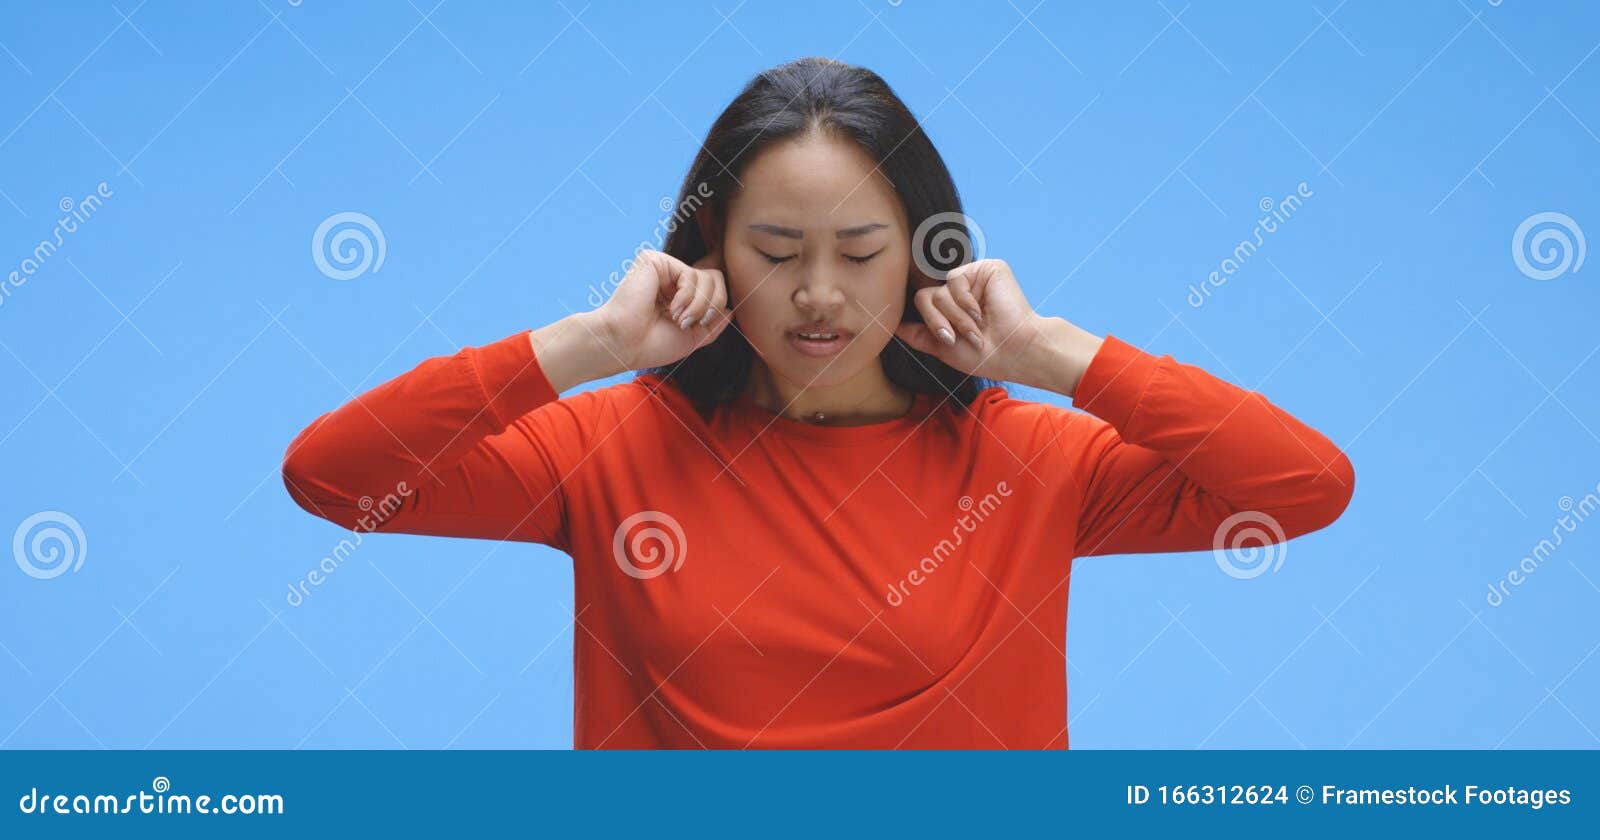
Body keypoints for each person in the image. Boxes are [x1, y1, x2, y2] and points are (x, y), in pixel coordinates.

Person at [282, 57, 1354, 749]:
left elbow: (1303, 486)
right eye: (778, 250)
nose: (819, 294)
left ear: (925, 251)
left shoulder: (1029, 464)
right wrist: (589, 345)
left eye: (860, 250)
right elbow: (332, 477)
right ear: (707, 247)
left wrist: (1056, 353)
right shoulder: (607, 449)